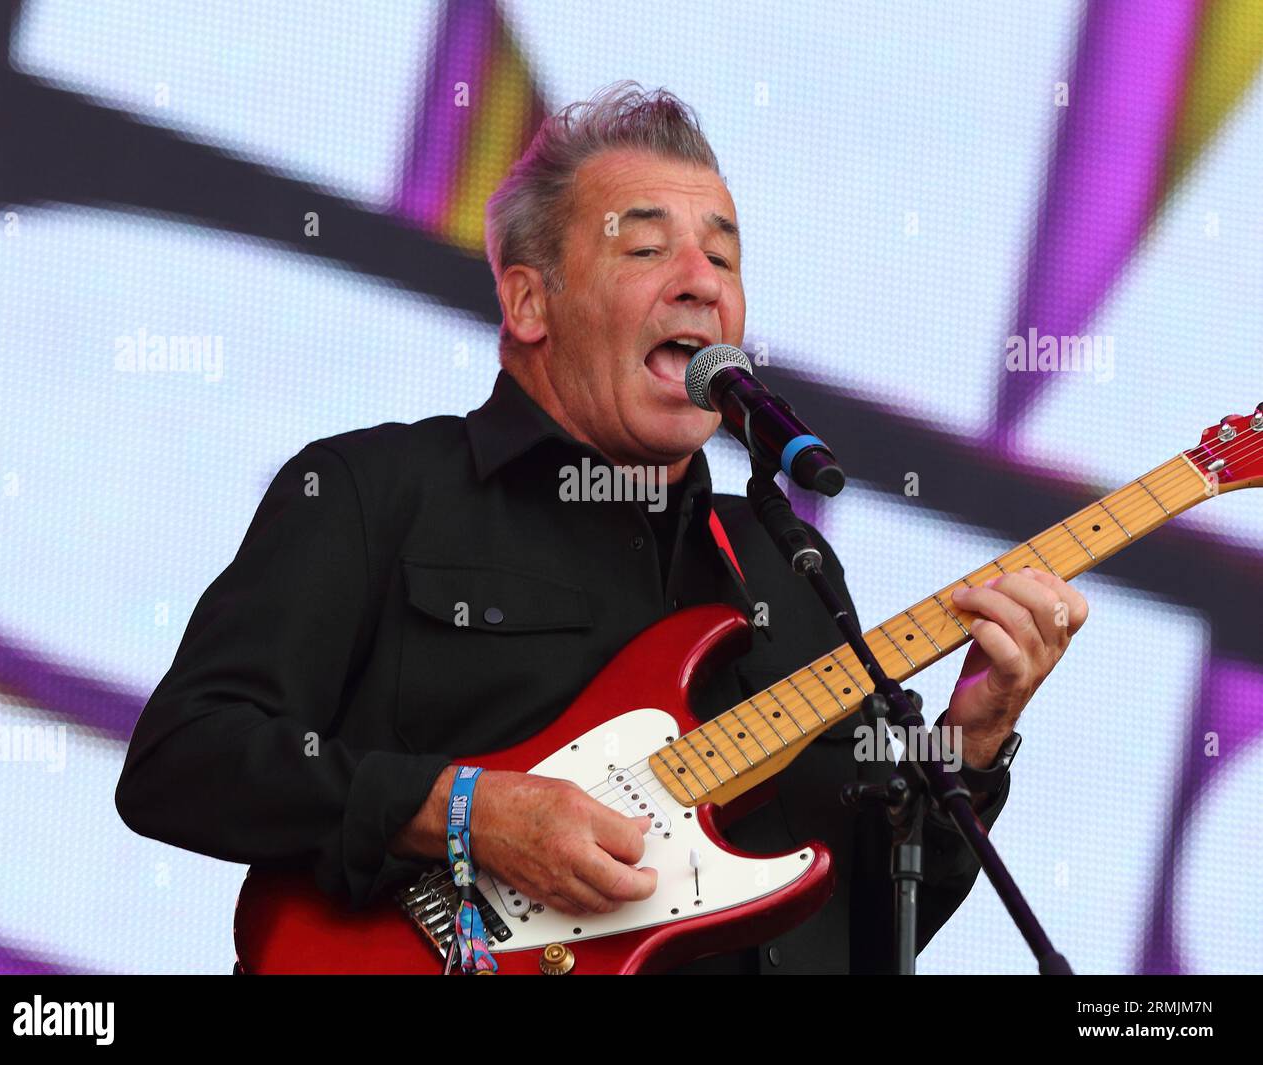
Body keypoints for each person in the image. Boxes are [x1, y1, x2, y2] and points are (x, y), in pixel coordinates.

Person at [116, 82, 1088, 975]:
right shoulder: (374, 491)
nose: (701, 280)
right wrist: (463, 811)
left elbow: (866, 926)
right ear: (530, 301)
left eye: (724, 253)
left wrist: (970, 740)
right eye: (646, 246)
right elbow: (186, 760)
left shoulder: (781, 568)